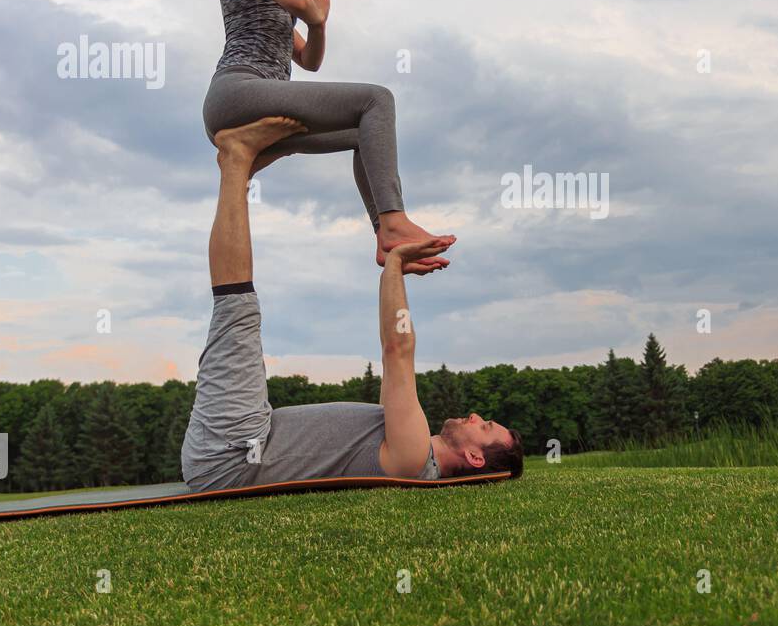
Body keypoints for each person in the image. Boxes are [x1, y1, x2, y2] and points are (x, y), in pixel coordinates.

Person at [180, 117, 524, 492]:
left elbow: (398, 349)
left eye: (485, 427)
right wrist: (393, 273)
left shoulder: (411, 458)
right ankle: (244, 161)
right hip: (244, 438)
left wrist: (394, 264)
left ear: (476, 458)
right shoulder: (408, 445)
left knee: (238, 311)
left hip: (234, 452)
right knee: (238, 312)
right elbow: (393, 367)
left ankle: (236, 160)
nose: (476, 416)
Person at [206, 0, 448, 274]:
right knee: (376, 100)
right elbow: (304, 5)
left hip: (255, 96)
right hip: (237, 91)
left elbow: (310, 60)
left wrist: (319, 22)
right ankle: (394, 218)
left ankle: (385, 237)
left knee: (363, 134)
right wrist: (311, 9)